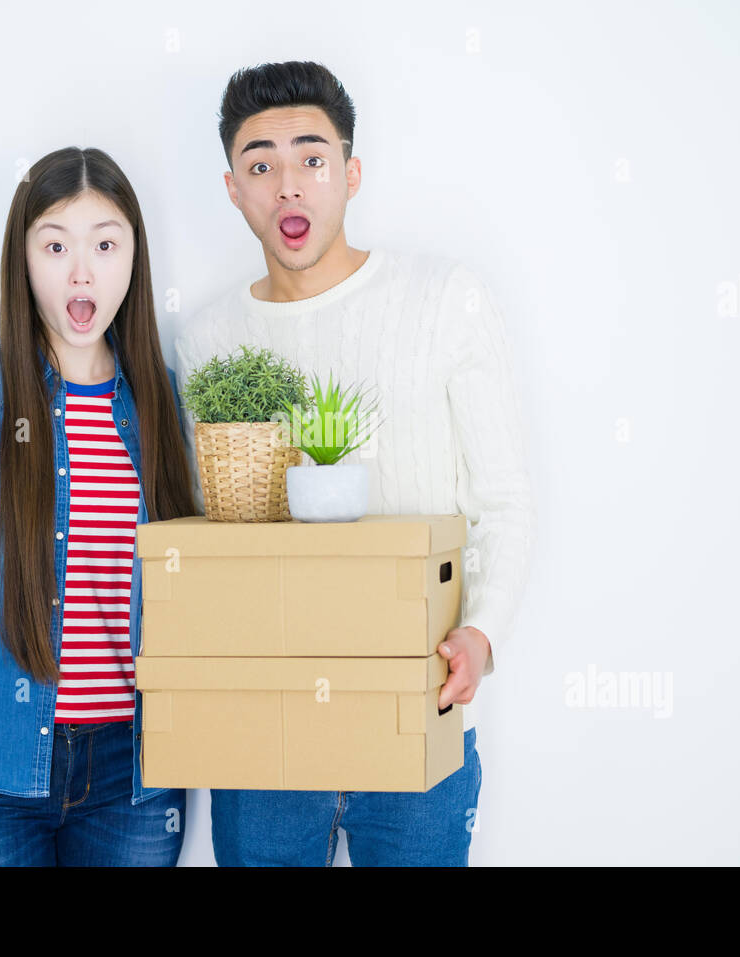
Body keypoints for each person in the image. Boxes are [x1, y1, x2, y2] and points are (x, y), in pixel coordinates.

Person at [174, 61, 536, 866]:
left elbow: (505, 501)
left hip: (418, 725)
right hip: (264, 746)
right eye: (260, 164)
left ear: (352, 172)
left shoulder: (445, 299)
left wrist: (480, 634)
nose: (288, 187)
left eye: (312, 158)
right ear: (233, 189)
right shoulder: (206, 342)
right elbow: (209, 540)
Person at [0, 146, 196, 866]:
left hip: (135, 775)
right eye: (55, 245)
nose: (81, 271)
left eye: (105, 244)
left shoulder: (165, 404)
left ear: (132, 258)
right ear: (22, 259)